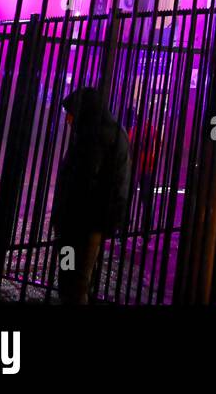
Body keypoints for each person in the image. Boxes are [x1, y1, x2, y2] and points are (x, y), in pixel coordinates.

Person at [52, 87, 132, 305]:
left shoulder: (95, 135)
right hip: (89, 220)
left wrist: (64, 213)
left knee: (73, 280)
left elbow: (83, 178)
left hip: (80, 221)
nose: (68, 119)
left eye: (71, 113)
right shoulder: (109, 131)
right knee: (76, 274)